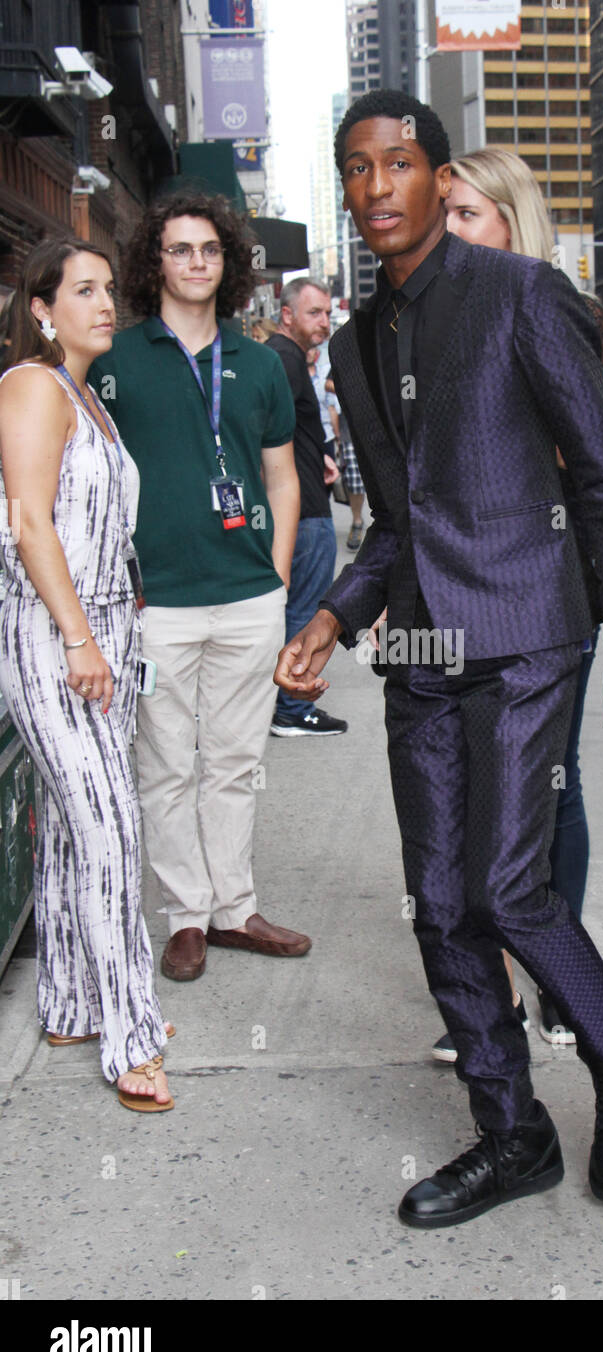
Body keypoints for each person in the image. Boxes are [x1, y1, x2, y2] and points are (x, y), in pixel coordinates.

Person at [275, 89, 603, 1228]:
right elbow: (396, 521)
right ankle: (513, 1134)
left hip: (533, 632)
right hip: (425, 649)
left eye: (399, 162)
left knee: (507, 887)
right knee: (440, 902)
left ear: (432, 178)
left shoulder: (520, 296)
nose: (378, 184)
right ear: (347, 193)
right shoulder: (350, 345)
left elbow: (601, 478)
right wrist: (335, 616)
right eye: (356, 168)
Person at [417, 145, 603, 1062]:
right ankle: (507, 986)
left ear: (512, 221)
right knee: (476, 787)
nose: (450, 231)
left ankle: (554, 971)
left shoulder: (556, 307)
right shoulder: (428, 315)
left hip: (551, 580)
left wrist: (519, 457)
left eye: (468, 214)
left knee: (552, 785)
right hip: (458, 580)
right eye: (446, 215)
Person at [89, 193, 311, 984]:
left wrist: (279, 580)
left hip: (248, 597)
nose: (194, 262)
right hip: (156, 605)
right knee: (166, 765)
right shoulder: (115, 359)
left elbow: (283, 480)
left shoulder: (258, 365)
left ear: (229, 264)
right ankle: (183, 916)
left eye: (209, 250)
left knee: (235, 760)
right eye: (179, 249)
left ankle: (233, 909)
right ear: (157, 262)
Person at [0, 238, 174, 1112]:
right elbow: (31, 524)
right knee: (112, 828)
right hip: (53, 635)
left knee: (75, 830)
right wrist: (77, 637)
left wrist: (115, 626)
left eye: (109, 288)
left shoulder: (85, 397)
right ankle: (132, 1035)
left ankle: (71, 1002)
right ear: (40, 307)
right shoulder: (31, 386)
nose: (106, 302)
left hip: (101, 631)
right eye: (84, 289)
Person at [268, 279, 348, 737]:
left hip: (306, 498)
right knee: (304, 612)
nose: (323, 322)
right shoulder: (283, 358)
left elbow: (285, 430)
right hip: (303, 511)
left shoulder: (288, 358)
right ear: (287, 315)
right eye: (314, 313)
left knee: (298, 608)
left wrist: (317, 455)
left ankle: (288, 707)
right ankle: (292, 710)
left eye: (325, 314)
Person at [325, 371, 367, 551]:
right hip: (350, 428)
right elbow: (328, 384)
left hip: (381, 425)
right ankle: (357, 521)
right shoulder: (349, 348)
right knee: (355, 481)